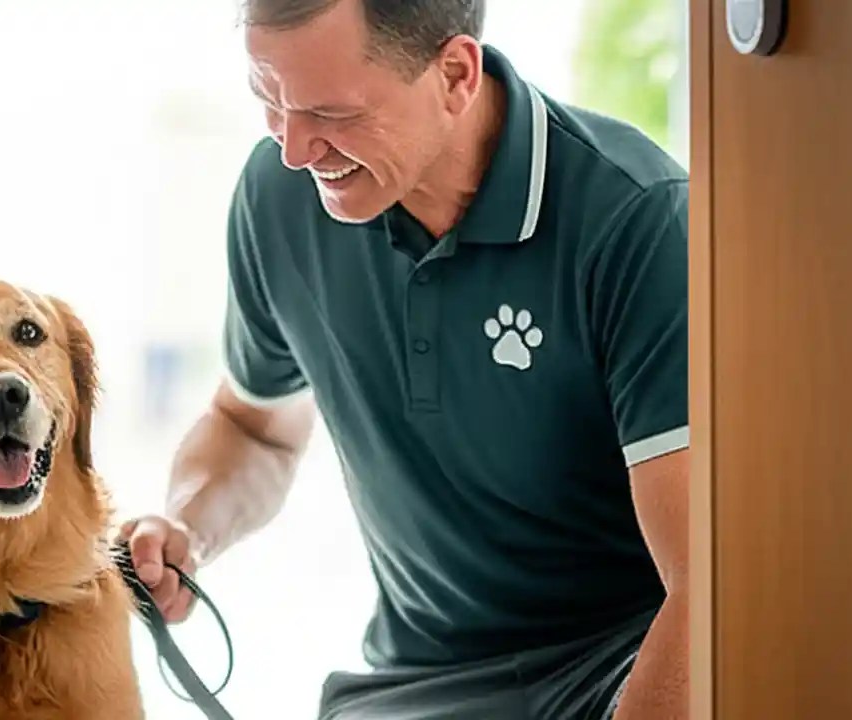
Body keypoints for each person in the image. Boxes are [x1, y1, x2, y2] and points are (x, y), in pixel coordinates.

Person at [119, 0, 689, 718]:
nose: (294, 149)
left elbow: (708, 588)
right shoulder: (277, 196)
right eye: (269, 100)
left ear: (455, 74)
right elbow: (253, 427)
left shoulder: (640, 221)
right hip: (415, 688)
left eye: (331, 113)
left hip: (619, 667)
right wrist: (187, 527)